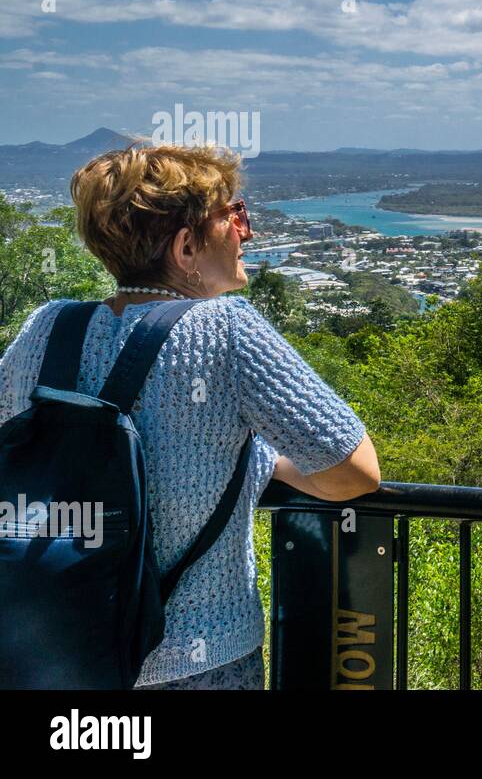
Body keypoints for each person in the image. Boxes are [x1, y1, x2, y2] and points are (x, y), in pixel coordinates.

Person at [0, 142, 380, 689]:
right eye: (234, 216)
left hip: (57, 651)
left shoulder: (48, 328)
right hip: (201, 663)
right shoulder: (223, 329)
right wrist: (260, 459)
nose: (246, 233)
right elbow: (355, 471)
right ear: (185, 247)